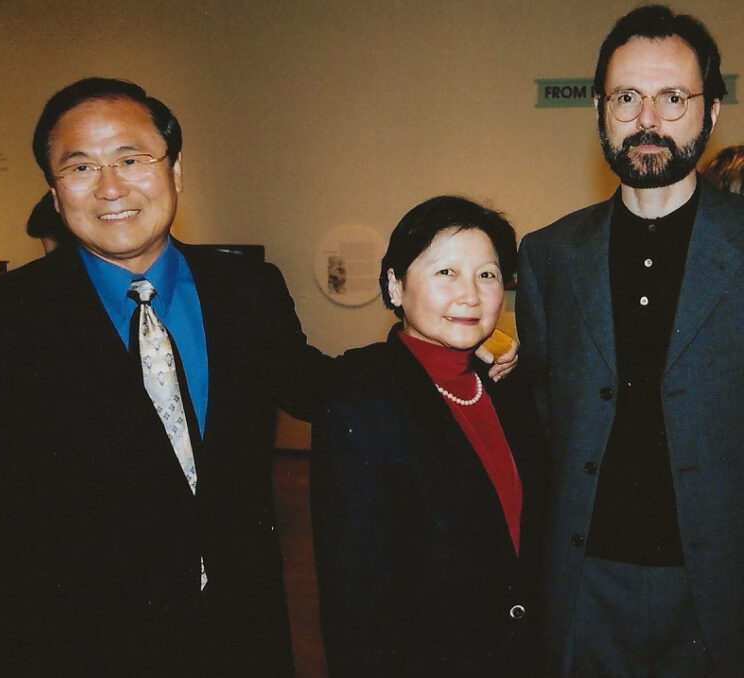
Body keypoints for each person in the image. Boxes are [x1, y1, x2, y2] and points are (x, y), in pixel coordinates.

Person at [0, 77, 343, 677]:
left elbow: (317, 386)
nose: (111, 187)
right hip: (83, 643)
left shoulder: (248, 291)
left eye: (131, 158)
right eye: (81, 167)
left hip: (241, 629)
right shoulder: (1, 321)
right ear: (55, 190)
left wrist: (443, 352)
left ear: (174, 171)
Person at [516, 6, 744, 677]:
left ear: (711, 113)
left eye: (673, 98)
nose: (648, 120)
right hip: (585, 584)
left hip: (719, 588)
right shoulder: (549, 254)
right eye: (626, 97)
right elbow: (542, 418)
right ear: (599, 111)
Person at [312, 196, 545, 678]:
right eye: (446, 273)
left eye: (488, 274)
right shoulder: (362, 400)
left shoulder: (511, 387)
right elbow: (353, 598)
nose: (471, 295)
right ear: (395, 286)